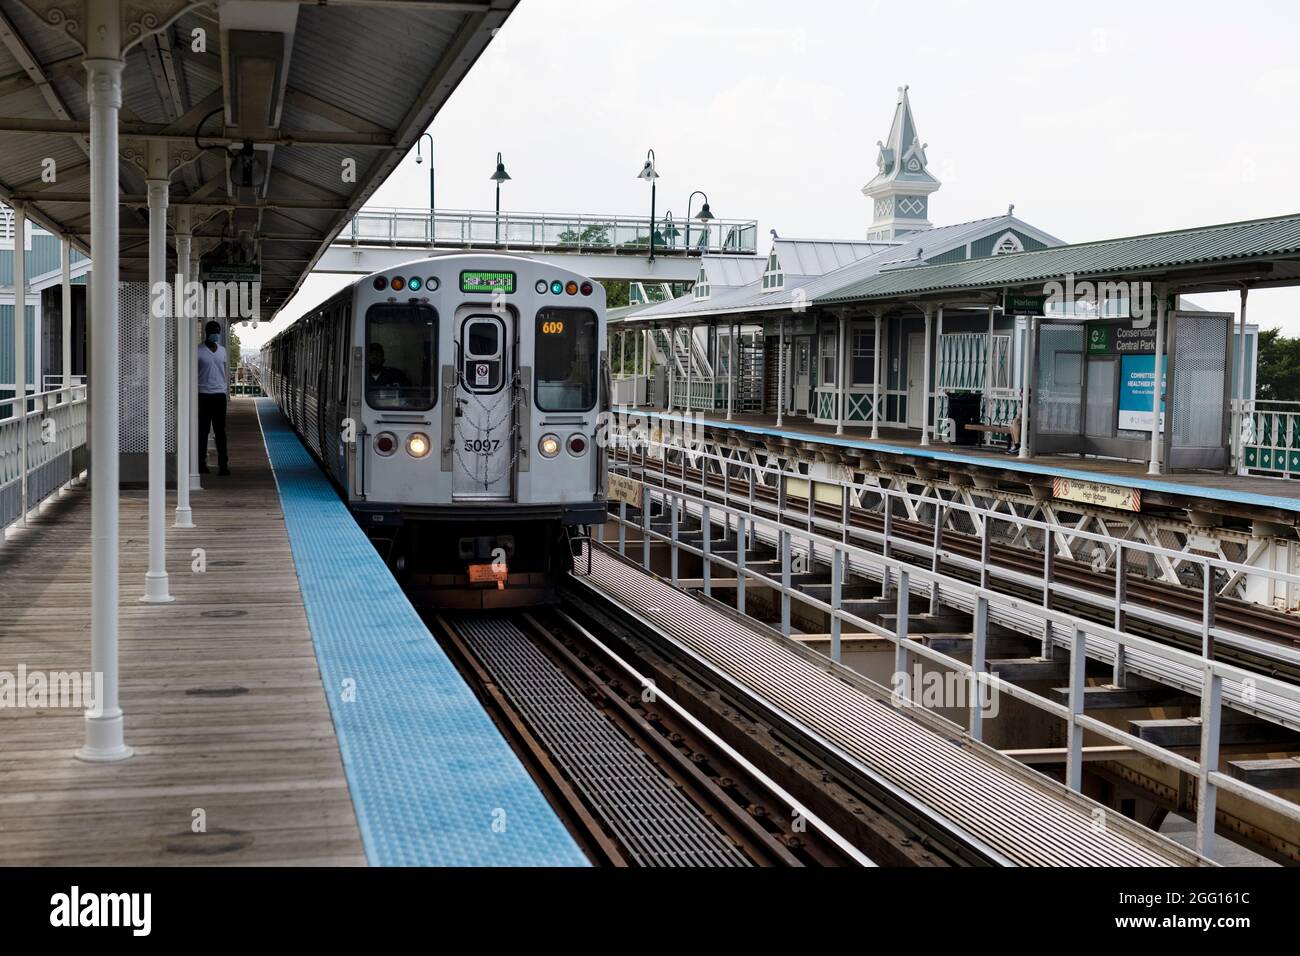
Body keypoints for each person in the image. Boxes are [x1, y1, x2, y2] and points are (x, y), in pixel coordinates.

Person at [197, 320, 230, 475]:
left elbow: (223, 370)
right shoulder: (198, 351)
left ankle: (223, 464)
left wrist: (224, 388)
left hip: (219, 395)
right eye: (213, 332)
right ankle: (201, 464)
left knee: (220, 431)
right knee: (202, 431)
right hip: (202, 394)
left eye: (217, 332)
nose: (215, 335)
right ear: (206, 333)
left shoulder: (223, 351)